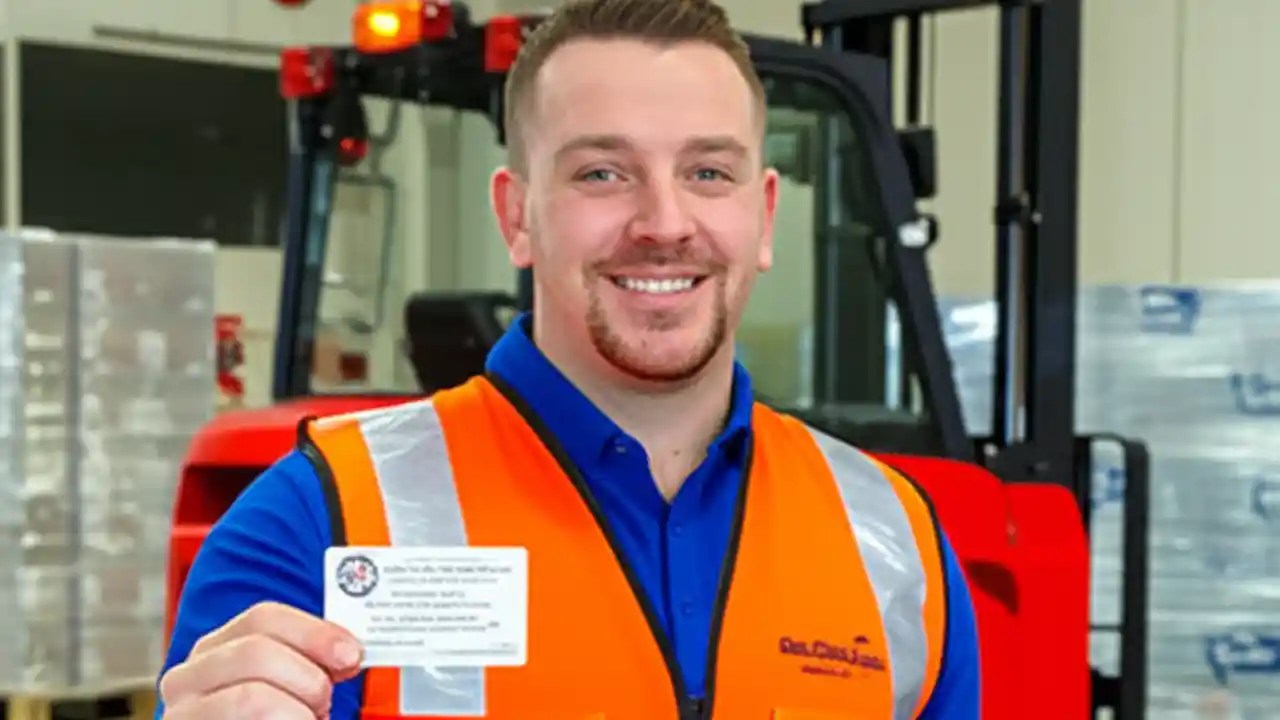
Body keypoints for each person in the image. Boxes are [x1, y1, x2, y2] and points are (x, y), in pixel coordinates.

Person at [155, 0, 981, 716]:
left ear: (762, 216)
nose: (664, 222)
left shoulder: (893, 542)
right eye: (602, 172)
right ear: (517, 216)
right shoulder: (314, 525)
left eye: (706, 171)